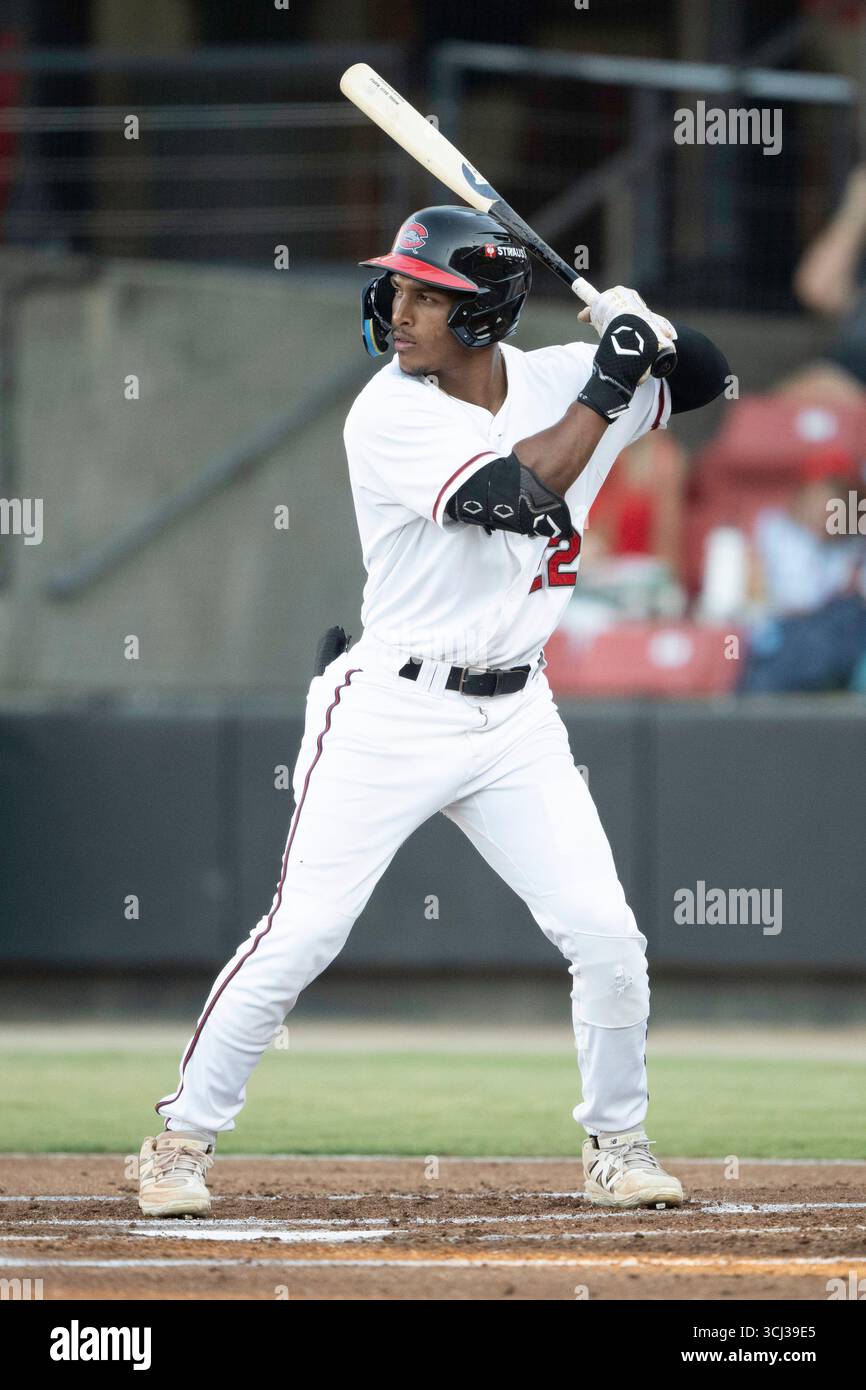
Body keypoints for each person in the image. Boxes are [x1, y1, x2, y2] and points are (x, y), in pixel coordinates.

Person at [137, 206, 728, 1217]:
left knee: (605, 933)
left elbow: (709, 380)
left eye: (427, 295)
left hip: (514, 715)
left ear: (484, 316)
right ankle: (179, 1140)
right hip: (390, 710)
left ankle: (617, 1143)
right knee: (303, 931)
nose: (398, 309)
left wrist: (645, 327)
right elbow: (526, 489)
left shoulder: (553, 378)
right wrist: (614, 371)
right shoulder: (388, 412)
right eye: (399, 288)